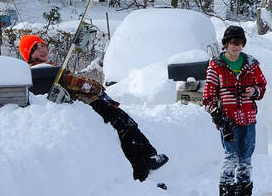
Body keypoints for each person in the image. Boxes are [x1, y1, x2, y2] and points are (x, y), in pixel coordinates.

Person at [18, 34, 168, 183]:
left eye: (43, 45)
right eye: (36, 48)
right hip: (88, 103)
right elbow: (75, 82)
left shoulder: (30, 74)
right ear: (29, 54)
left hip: (86, 103)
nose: (43, 49)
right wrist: (97, 87)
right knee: (125, 124)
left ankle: (145, 164)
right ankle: (144, 166)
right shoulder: (46, 70)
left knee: (125, 123)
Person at [202, 26, 268, 196]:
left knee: (246, 158)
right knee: (231, 157)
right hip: (228, 121)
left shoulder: (251, 64)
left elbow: (262, 86)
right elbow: (208, 98)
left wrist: (254, 91)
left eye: (239, 43)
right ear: (225, 44)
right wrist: (219, 116)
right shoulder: (216, 66)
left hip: (248, 118)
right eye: (232, 42)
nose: (235, 46)